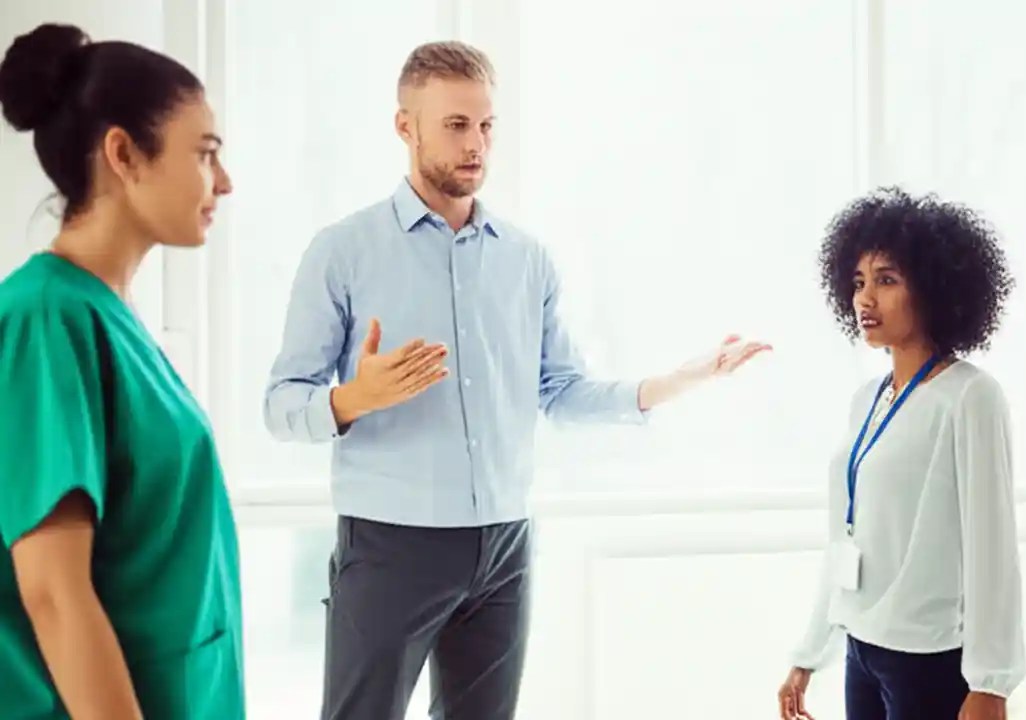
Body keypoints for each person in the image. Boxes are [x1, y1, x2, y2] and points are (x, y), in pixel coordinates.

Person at [262, 40, 770, 720]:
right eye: (456, 125)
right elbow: (280, 403)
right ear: (404, 127)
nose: (477, 145)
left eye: (487, 125)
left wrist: (677, 380)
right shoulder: (342, 251)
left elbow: (562, 390)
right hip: (390, 545)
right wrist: (355, 398)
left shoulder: (527, 261)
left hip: (504, 544)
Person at [0, 23, 241, 720]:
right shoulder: (46, 319)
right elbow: (52, 592)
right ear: (123, 153)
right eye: (205, 154)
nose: (223, 181)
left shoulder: (108, 316)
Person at [779, 189, 1026, 720]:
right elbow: (844, 537)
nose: (865, 299)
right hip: (861, 650)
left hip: (928, 659)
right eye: (859, 282)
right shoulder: (866, 400)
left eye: (887, 281)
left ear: (934, 288)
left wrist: (990, 682)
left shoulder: (969, 396)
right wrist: (809, 654)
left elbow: (992, 547)